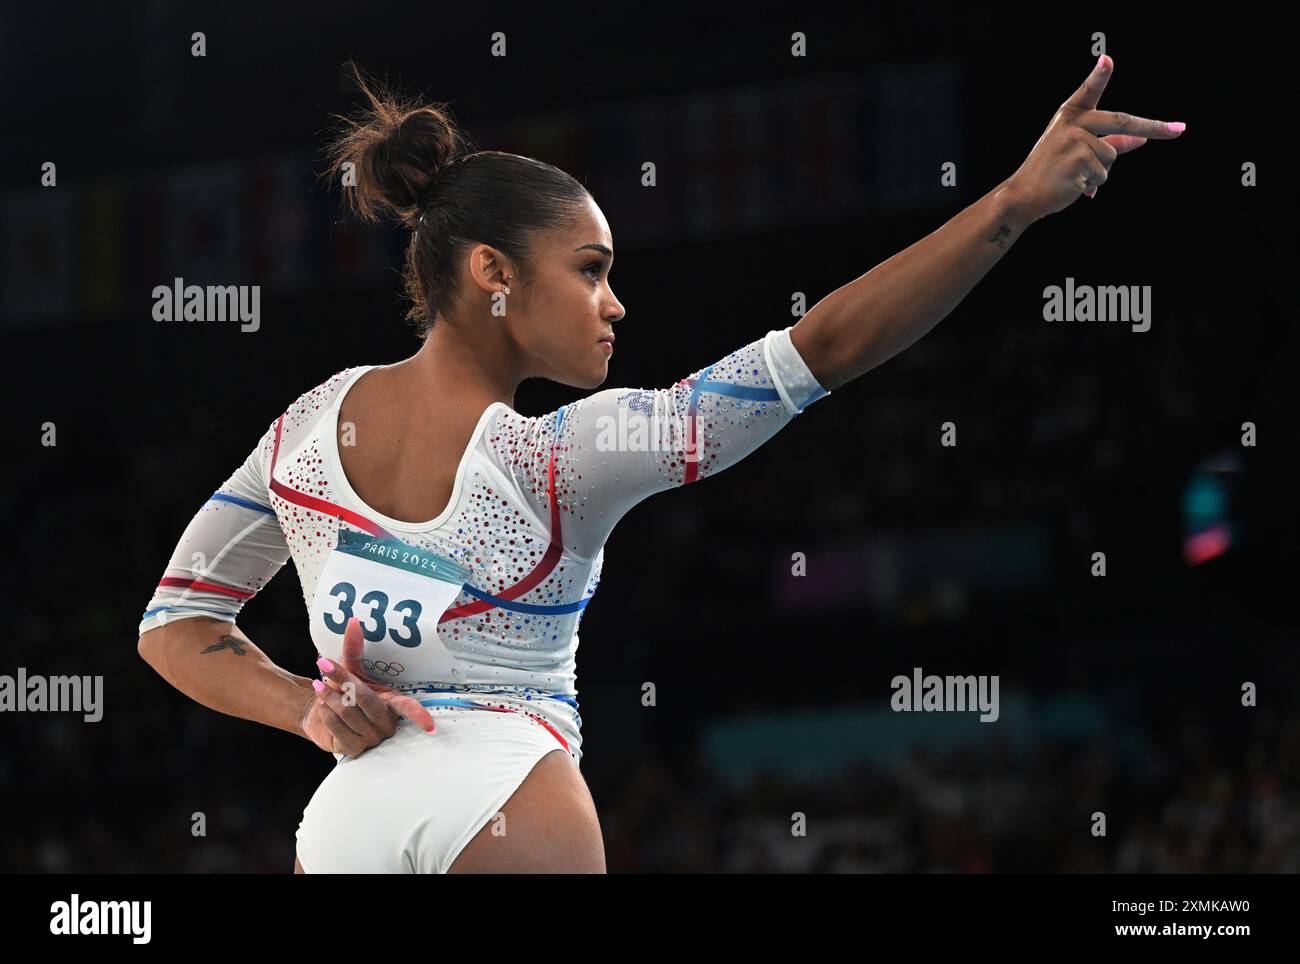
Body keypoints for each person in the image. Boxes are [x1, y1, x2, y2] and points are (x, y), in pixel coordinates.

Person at [136, 56, 1182, 873]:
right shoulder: (563, 458)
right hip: (506, 791)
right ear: (492, 273)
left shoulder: (305, 431)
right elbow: (821, 349)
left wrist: (308, 708)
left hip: (344, 819)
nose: (614, 303)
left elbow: (173, 627)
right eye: (590, 272)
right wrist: (1008, 204)